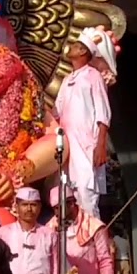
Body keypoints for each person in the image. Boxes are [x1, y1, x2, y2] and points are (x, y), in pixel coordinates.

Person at [55, 29, 113, 219]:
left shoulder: (93, 76)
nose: (71, 47)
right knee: (68, 196)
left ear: (83, 52)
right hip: (67, 146)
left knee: (87, 197)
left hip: (87, 145)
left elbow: (103, 113)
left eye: (76, 46)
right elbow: (58, 112)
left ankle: (94, 242)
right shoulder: (66, 80)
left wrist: (101, 145)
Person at [0, 187, 58, 274]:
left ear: (40, 207)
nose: (29, 209)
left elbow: (56, 272)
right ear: (16, 206)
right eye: (24, 205)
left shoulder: (49, 235)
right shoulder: (4, 233)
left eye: (33, 205)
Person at [49, 186, 114, 274]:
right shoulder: (50, 228)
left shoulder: (94, 227)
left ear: (71, 204)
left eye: (59, 207)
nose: (56, 213)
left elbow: (105, 261)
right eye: (54, 208)